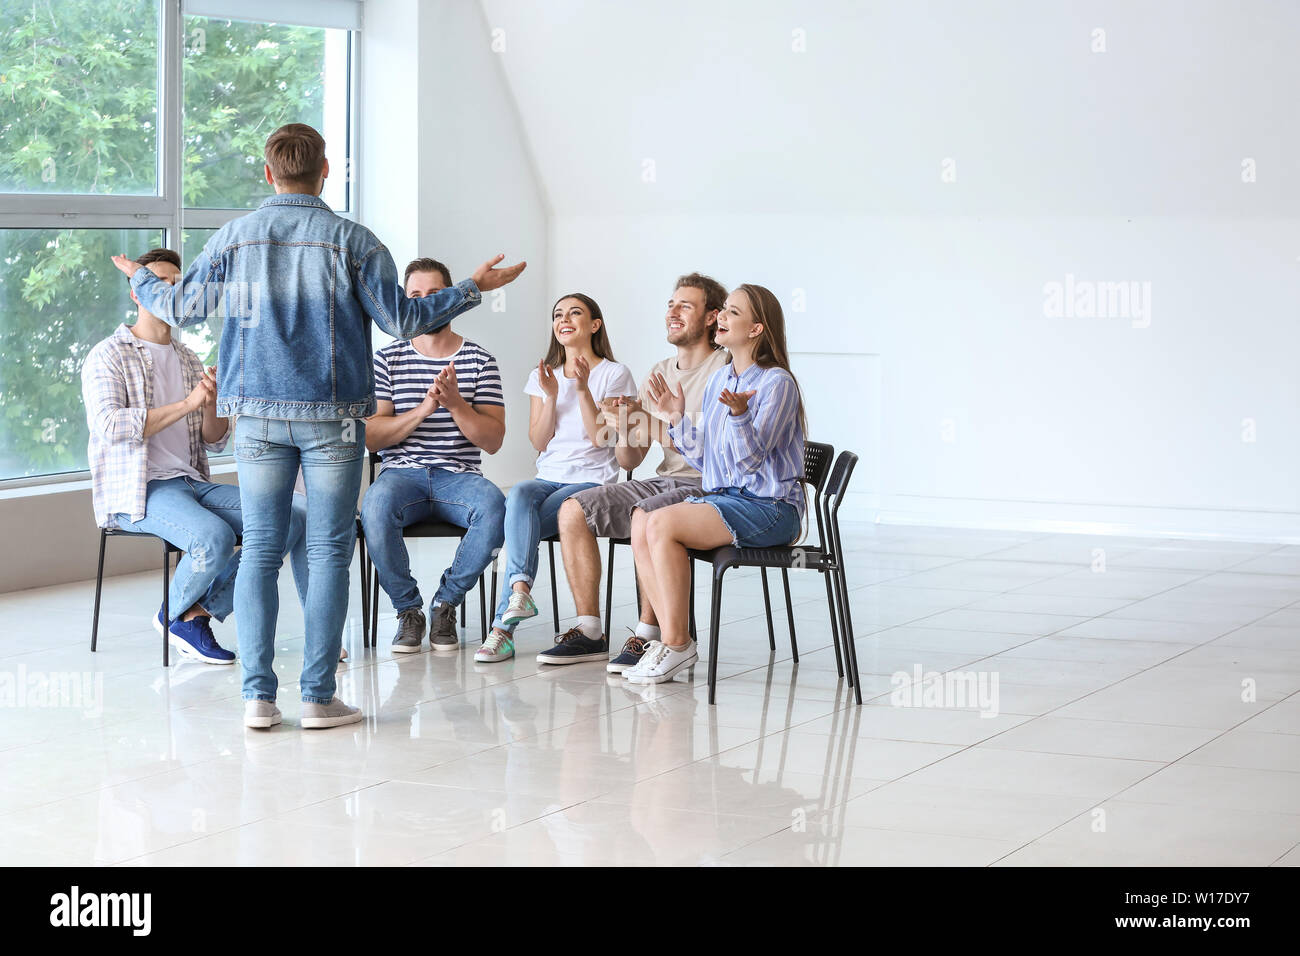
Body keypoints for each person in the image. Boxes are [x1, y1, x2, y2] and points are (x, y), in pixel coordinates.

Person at [113, 123, 525, 729]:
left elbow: (182, 306)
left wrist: (141, 278)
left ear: (268, 173)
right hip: (333, 421)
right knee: (329, 551)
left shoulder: (235, 237)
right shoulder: (354, 242)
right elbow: (403, 320)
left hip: (254, 416)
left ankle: (257, 698)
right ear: (325, 170)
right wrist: (472, 289)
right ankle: (317, 697)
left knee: (258, 550)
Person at [82, 247, 308, 664]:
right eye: (160, 282)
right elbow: (111, 426)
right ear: (138, 292)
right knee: (213, 537)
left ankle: (197, 614)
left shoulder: (188, 358)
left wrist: (210, 404)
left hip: (191, 481)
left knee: (289, 516)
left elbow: (214, 440)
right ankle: (171, 614)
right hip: (139, 490)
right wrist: (188, 403)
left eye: (177, 285)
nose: (169, 290)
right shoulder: (109, 354)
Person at [623, 284, 807, 684]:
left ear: (757, 329)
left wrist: (741, 417)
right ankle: (671, 641)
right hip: (729, 497)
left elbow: (750, 460)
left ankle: (676, 644)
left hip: (772, 508)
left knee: (663, 524)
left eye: (732, 313)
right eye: (722, 309)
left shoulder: (778, 384)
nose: (722, 317)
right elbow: (710, 462)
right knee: (642, 520)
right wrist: (675, 418)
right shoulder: (722, 378)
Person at [549, 273, 729, 670]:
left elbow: (715, 455)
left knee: (647, 515)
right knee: (573, 510)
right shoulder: (660, 369)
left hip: (707, 486)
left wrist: (645, 422)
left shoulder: (726, 370)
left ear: (713, 317)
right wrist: (626, 421)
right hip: (667, 477)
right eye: (670, 304)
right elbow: (630, 461)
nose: (673, 312)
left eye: (685, 305)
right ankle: (590, 631)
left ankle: (648, 635)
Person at [475, 293, 636, 664]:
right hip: (548, 480)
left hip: (593, 483)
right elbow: (539, 440)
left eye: (574, 313)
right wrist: (550, 396)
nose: (564, 320)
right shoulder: (542, 376)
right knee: (518, 495)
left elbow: (603, 438)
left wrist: (581, 388)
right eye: (558, 315)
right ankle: (519, 593)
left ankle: (502, 631)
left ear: (594, 325)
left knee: (521, 521)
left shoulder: (614, 373)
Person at [362, 258, 507, 654]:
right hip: (400, 476)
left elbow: (493, 440)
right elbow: (372, 438)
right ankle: (409, 610)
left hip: (459, 477)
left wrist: (456, 404)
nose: (425, 304)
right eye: (415, 296)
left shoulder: (479, 360)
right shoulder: (386, 358)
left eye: (434, 295)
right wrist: (424, 410)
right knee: (374, 508)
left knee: (495, 505)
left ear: (450, 299)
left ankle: (446, 602)